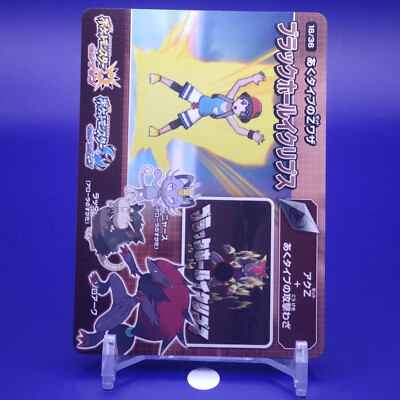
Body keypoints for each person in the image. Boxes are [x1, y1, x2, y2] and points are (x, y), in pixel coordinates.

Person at [148, 72, 266, 145]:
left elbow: (238, 129)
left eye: (243, 112)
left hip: (198, 113)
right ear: (241, 97)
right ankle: (159, 78)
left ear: (241, 117)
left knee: (179, 122)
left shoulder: (229, 116)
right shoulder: (229, 97)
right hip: (199, 98)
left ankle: (158, 132)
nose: (239, 107)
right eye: (243, 103)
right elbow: (239, 83)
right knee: (180, 89)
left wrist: (252, 135)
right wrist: (253, 78)